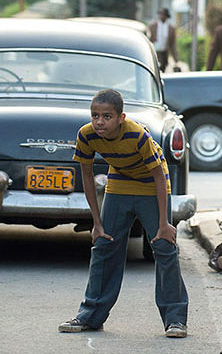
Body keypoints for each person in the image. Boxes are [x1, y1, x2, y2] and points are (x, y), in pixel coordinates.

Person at [59, 89, 189, 338]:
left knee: (164, 247)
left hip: (152, 184)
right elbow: (87, 176)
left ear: (121, 117)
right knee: (104, 245)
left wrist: (164, 224)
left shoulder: (137, 135)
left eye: (107, 116)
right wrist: (97, 223)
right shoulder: (86, 135)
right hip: (120, 181)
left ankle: (175, 320)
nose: (99, 122)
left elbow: (159, 176)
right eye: (95, 115)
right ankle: (90, 316)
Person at [147, 8, 178, 72]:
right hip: (155, 51)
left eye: (163, 14)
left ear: (166, 16)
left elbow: (173, 44)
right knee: (154, 68)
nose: (161, 16)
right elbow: (149, 39)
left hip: (164, 52)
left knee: (163, 68)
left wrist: (176, 59)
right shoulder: (153, 26)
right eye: (160, 14)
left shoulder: (171, 28)